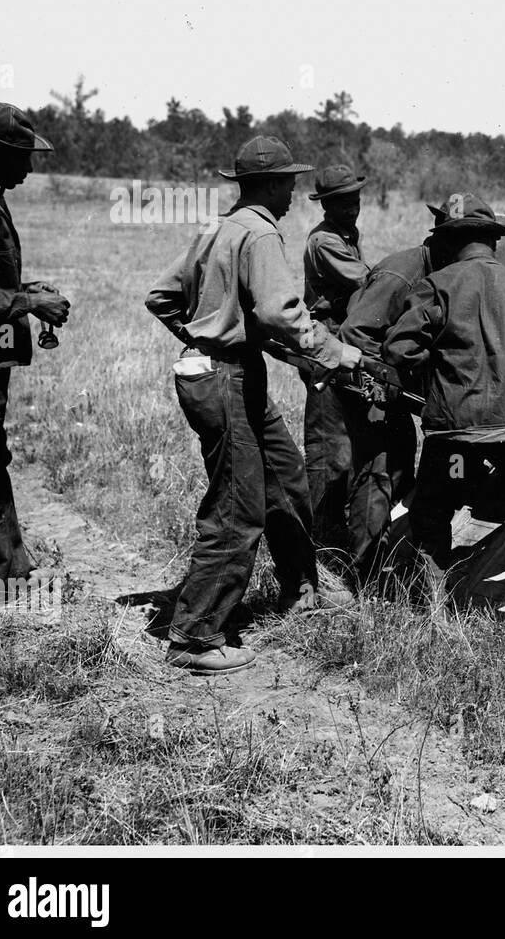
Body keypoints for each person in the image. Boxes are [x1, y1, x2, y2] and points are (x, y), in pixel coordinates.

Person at [146, 135, 363, 675]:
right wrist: (335, 351)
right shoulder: (261, 233)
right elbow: (280, 314)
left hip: (224, 373)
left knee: (287, 478)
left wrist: (205, 333)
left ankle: (301, 589)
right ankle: (194, 638)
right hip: (225, 380)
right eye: (287, 182)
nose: (294, 192)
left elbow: (162, 296)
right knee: (237, 506)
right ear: (267, 185)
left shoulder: (218, 226)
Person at [380, 194, 505, 629]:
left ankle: (433, 617)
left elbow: (399, 350)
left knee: (433, 516)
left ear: (449, 242)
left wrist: (438, 379)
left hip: (458, 441)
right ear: (493, 241)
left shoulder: (437, 286)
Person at [0, 104, 71, 616]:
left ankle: (6, 574)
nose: (30, 168)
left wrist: (26, 290)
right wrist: (29, 303)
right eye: (23, 157)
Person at [336, 207, 449, 581]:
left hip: (389, 390)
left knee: (398, 466)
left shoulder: (434, 271)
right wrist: (385, 380)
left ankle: (387, 558)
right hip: (368, 389)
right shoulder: (402, 273)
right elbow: (355, 333)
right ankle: (362, 578)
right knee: (378, 474)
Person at [300, 164, 371, 548]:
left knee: (347, 446)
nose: (351, 208)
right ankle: (318, 542)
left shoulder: (346, 233)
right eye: (342, 203)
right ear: (326, 205)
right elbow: (363, 279)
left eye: (355, 200)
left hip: (343, 341)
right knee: (330, 451)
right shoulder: (325, 241)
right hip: (326, 345)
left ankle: (334, 530)